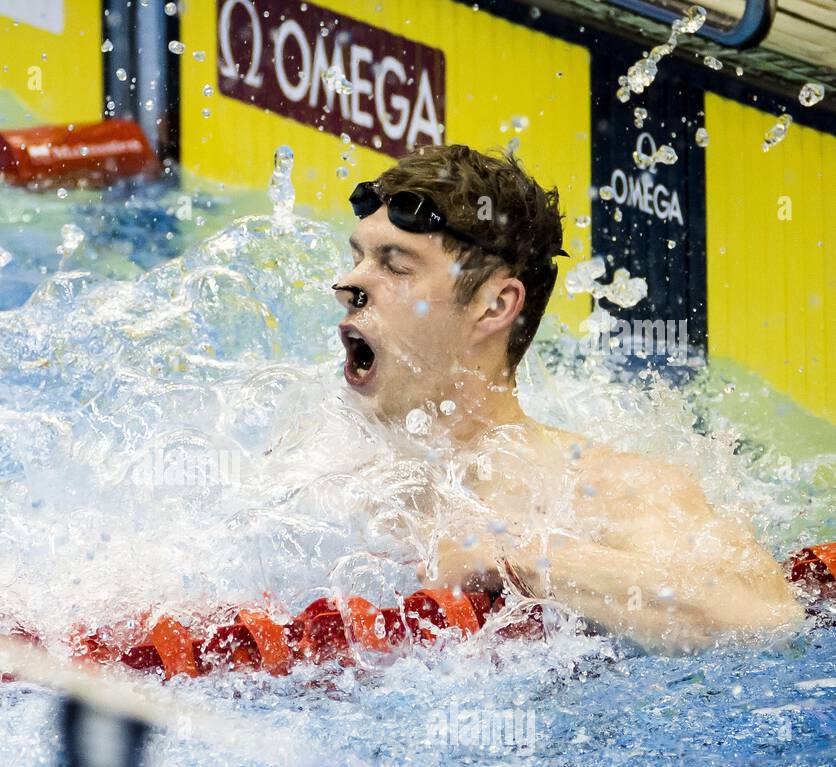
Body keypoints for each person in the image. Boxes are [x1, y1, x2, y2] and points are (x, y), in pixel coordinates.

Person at [332, 144, 802, 653]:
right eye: (358, 257)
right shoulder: (314, 466)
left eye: (396, 267)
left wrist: (509, 557)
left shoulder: (605, 490)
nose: (348, 283)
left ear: (494, 306)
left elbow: (764, 617)